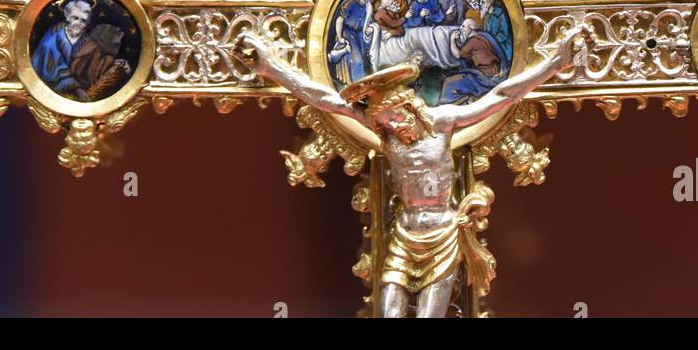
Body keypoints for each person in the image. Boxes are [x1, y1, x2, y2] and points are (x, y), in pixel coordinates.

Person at [239, 24, 593, 318]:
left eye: (392, 117)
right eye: (381, 121)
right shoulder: (384, 134)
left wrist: (554, 65)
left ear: (407, 106)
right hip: (405, 233)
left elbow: (503, 94)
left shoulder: (442, 124)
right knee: (390, 311)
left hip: (442, 232)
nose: (390, 126)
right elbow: (322, 98)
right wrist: (271, 68)